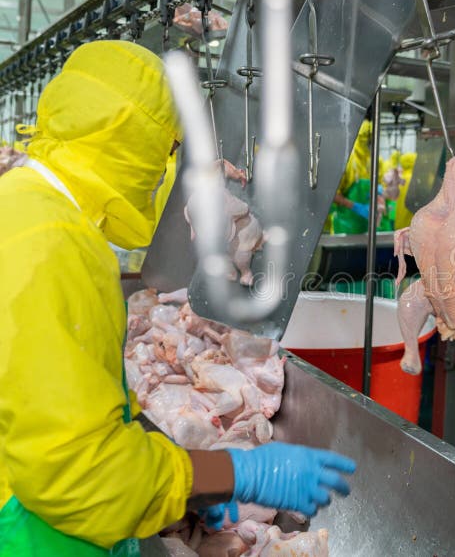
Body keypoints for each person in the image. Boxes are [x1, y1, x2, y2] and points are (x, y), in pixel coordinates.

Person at [0, 41, 356, 556]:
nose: (168, 170)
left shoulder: (24, 210)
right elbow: (79, 475)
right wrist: (229, 473)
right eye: (167, 150)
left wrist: (180, 489)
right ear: (131, 141)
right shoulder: (54, 245)